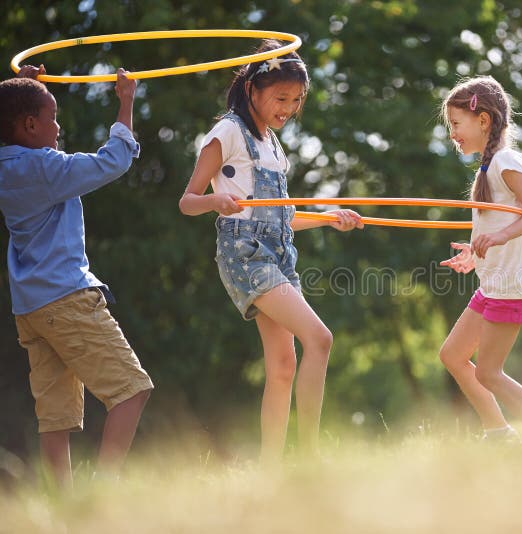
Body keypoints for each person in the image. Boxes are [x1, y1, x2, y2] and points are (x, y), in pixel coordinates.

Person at [179, 40, 363, 464]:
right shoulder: (228, 132)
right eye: (281, 98)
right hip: (245, 253)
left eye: (296, 101)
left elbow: (282, 219)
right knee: (320, 338)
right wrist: (215, 202)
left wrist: (329, 217)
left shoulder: (273, 146)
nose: (288, 108)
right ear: (252, 92)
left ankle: (272, 468)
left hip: (277, 254)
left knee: (283, 365)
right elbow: (188, 200)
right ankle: (310, 456)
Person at [0, 65, 153, 488]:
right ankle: (102, 493)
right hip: (67, 298)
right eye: (52, 117)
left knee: (56, 418)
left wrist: (33, 91)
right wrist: (125, 102)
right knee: (132, 389)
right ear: (30, 124)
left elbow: (25, 133)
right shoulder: (46, 169)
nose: (58, 125)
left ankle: (65, 507)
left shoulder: (7, 167)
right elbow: (114, 160)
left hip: (30, 308)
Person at [438, 76, 522, 442]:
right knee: (453, 355)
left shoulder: (505, 160)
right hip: (495, 282)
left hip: (513, 286)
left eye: (456, 124)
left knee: (489, 372)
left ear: (483, 120)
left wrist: (500, 237)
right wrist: (476, 254)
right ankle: (498, 430)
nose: (452, 134)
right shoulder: (488, 170)